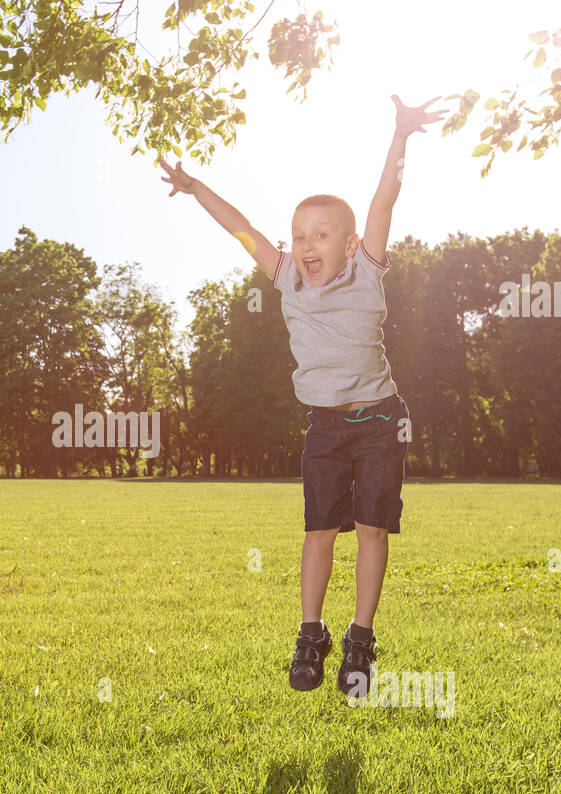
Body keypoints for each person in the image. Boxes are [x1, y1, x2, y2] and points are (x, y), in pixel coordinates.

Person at [158, 95, 446, 697]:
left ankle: (360, 639)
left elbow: (384, 200)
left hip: (379, 421)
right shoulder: (287, 274)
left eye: (321, 234)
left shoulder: (367, 268)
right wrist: (195, 187)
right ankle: (309, 635)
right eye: (299, 235)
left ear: (350, 242)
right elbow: (241, 228)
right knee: (318, 531)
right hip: (325, 425)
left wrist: (400, 138)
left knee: (372, 529)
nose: (307, 245)